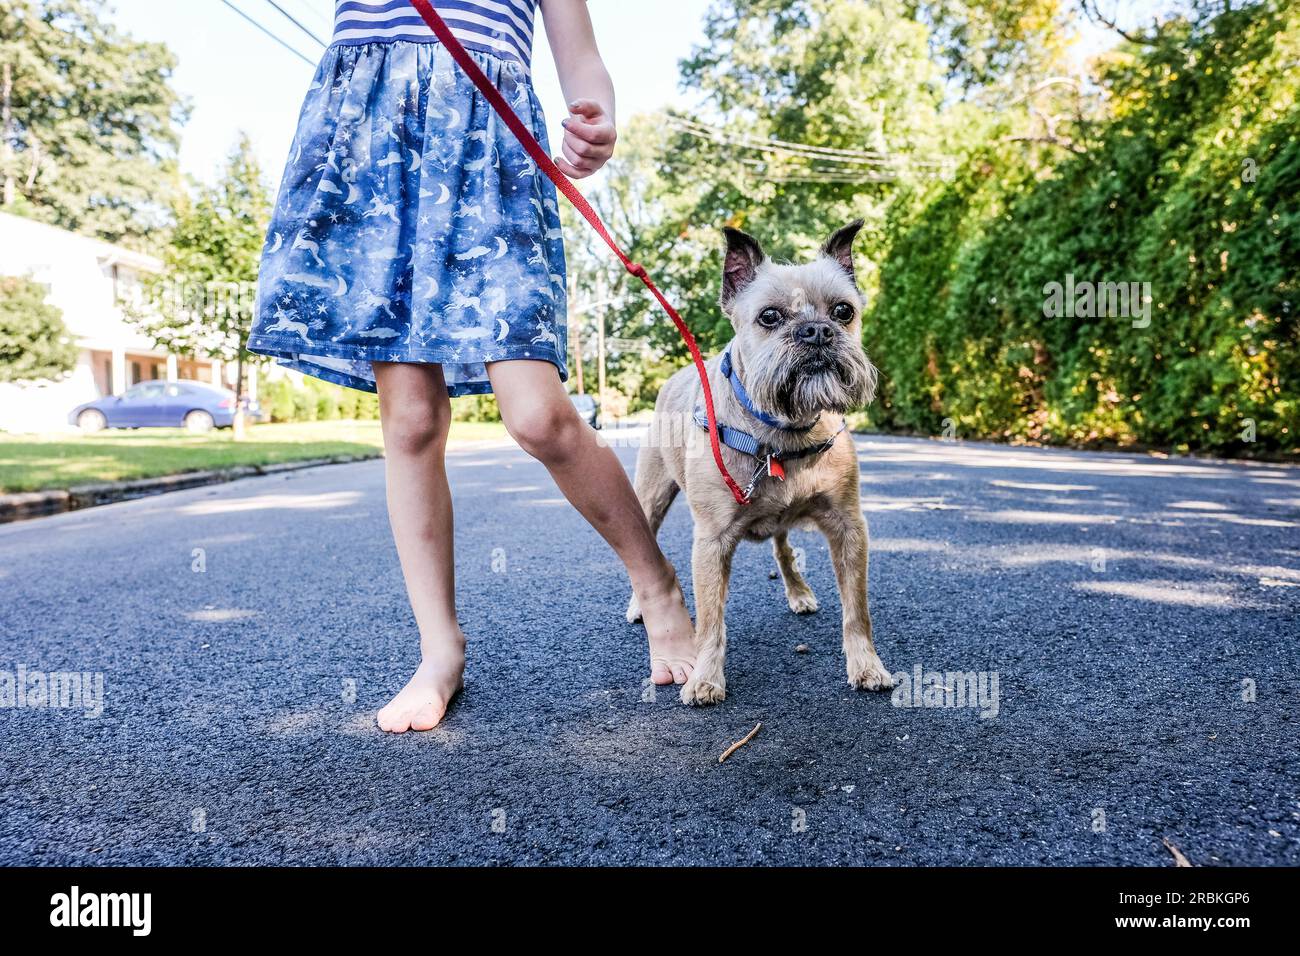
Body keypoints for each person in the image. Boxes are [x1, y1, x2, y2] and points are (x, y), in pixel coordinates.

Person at [248, 0, 696, 733]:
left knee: (538, 415)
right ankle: (438, 650)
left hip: (488, 149)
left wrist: (598, 117)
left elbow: (583, 58)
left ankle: (657, 584)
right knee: (412, 418)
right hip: (370, 142)